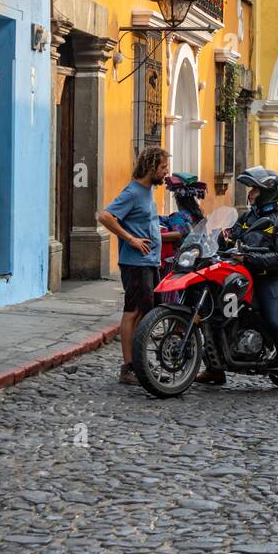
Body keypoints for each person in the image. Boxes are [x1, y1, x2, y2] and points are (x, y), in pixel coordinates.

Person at [198, 167, 278, 398]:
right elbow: (231, 237)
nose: (251, 193)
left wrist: (250, 258)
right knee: (215, 311)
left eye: (255, 189)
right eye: (251, 189)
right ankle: (215, 369)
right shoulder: (248, 217)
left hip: (272, 277)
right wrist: (218, 239)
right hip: (243, 273)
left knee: (275, 322)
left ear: (268, 192)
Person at [98, 146, 170, 386]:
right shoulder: (132, 192)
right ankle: (129, 367)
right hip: (135, 263)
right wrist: (131, 239)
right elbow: (105, 216)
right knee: (133, 312)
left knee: (145, 312)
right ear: (151, 167)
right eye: (162, 167)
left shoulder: (147, 192)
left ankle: (139, 364)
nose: (166, 171)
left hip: (149, 262)